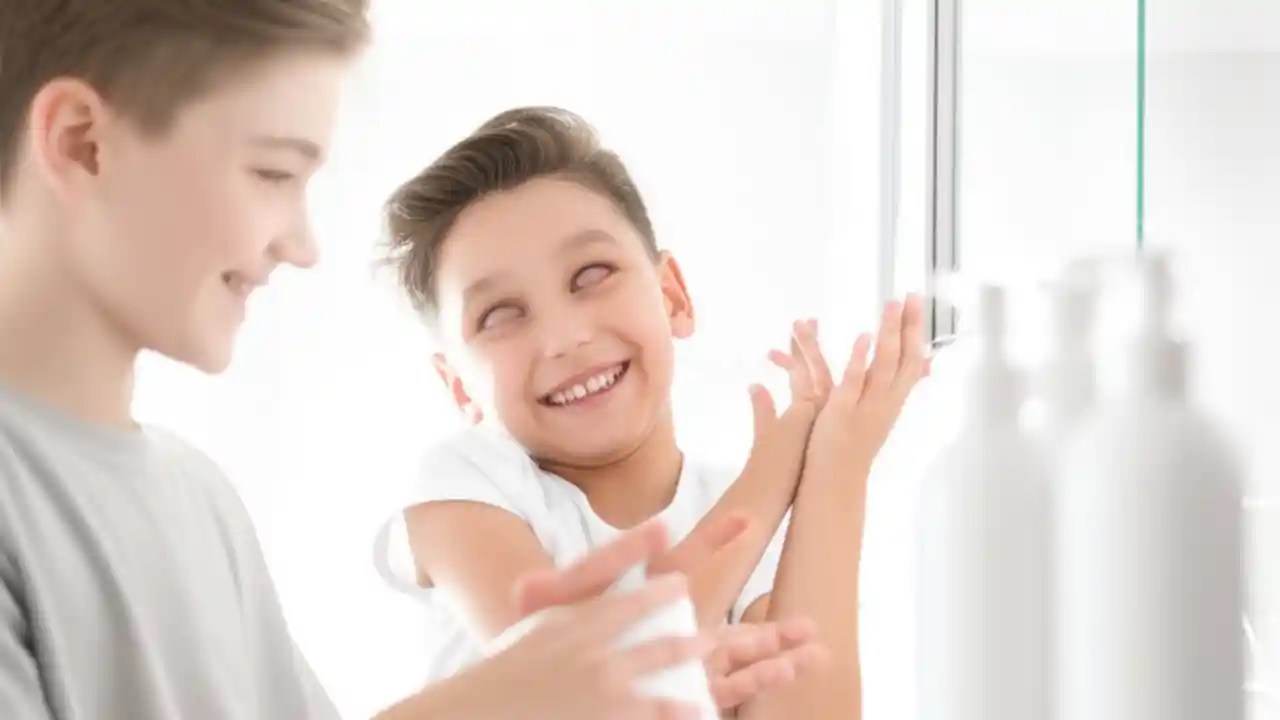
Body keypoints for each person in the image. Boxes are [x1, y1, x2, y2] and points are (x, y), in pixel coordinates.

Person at [0, 2, 814, 718]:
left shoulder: (198, 500)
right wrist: (517, 696)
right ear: (83, 144)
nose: (301, 244)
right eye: (271, 172)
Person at [379, 106, 930, 717]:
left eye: (591, 275)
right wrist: (775, 475)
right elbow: (570, 688)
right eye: (500, 315)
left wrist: (836, 469)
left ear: (672, 296)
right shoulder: (461, 483)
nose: (564, 337)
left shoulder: (741, 510)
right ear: (459, 387)